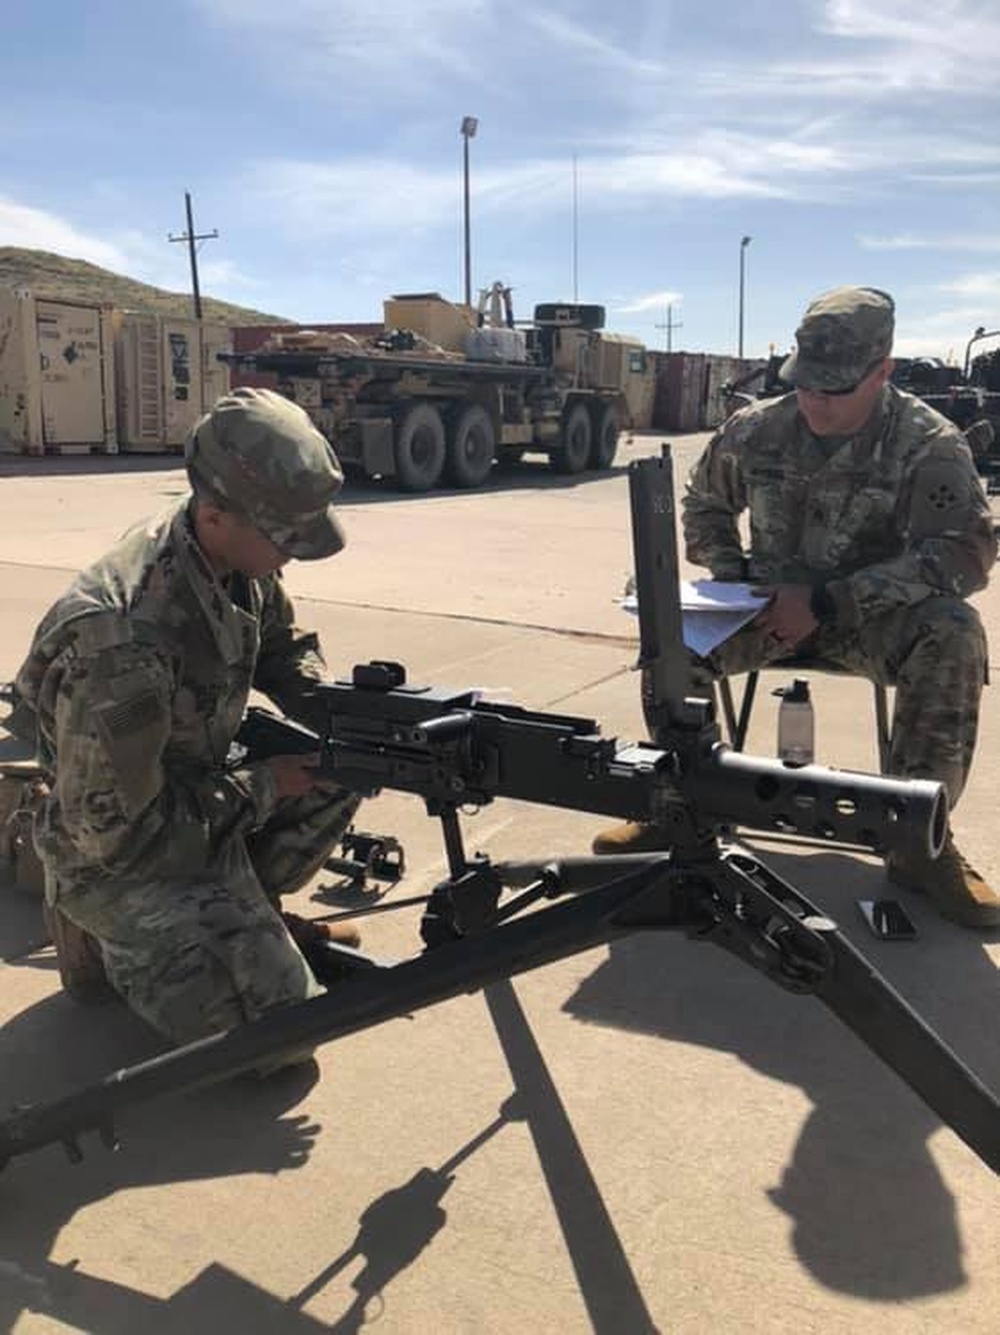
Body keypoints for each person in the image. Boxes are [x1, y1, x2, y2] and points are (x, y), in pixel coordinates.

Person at [593, 286, 1000, 930]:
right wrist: (734, 582)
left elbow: (966, 555)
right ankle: (683, 805)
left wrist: (830, 601)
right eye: (806, 383)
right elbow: (704, 506)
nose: (814, 400)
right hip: (764, 611)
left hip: (871, 620)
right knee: (671, 634)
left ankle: (920, 842)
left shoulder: (928, 443)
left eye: (835, 388)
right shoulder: (759, 428)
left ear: (883, 371)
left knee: (954, 633)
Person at [11, 386, 368, 1044]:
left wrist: (352, 714)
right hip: (117, 855)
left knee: (351, 766)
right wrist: (265, 786)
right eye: (285, 537)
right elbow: (120, 834)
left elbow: (282, 651)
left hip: (187, 793)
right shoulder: (120, 639)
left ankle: (244, 921)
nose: (293, 553)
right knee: (285, 1038)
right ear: (214, 514)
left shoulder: (233, 555)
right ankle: (103, 937)